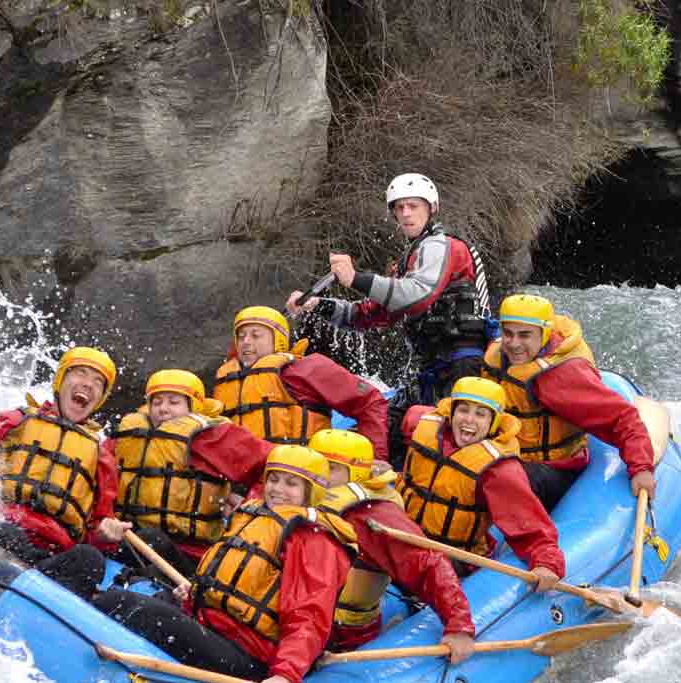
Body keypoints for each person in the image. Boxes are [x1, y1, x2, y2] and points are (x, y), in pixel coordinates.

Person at [92, 445, 354, 683]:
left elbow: (309, 615)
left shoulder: (313, 539)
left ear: (311, 491)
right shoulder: (255, 513)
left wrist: (285, 675)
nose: (278, 489)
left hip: (248, 654)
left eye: (291, 484)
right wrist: (194, 597)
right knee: (121, 597)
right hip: (209, 623)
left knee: (129, 607)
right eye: (273, 479)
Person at [285, 172, 491, 412]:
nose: (405, 213)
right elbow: (369, 315)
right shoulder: (409, 260)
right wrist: (318, 304)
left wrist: (355, 279)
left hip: (464, 365)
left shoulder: (441, 245)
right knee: (390, 425)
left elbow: (416, 296)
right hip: (435, 365)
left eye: (413, 206)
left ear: (431, 208)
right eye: (399, 207)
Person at [0, 346, 132, 600]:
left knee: (90, 560)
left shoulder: (102, 458)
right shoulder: (15, 421)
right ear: (60, 380)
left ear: (101, 398)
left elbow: (97, 528)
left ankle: (42, 613)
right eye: (80, 373)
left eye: (98, 382)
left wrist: (104, 536)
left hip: (51, 557)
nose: (88, 384)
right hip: (2, 530)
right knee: (4, 533)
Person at [309, 429, 477, 664]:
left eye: (331, 469)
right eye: (315, 467)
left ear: (356, 473)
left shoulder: (372, 515)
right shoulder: (299, 496)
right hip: (300, 625)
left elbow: (427, 563)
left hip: (341, 634)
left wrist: (459, 625)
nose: (319, 476)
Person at [481, 294, 656, 512]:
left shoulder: (560, 377)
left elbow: (622, 417)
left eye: (524, 335)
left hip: (553, 469)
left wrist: (641, 468)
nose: (514, 343)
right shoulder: (498, 356)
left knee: (504, 480)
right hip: (507, 454)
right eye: (508, 334)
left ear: (544, 334)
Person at [399, 377, 565, 592]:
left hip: (450, 554)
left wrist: (547, 562)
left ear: (493, 422)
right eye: (463, 410)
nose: (469, 420)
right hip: (402, 533)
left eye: (480, 414)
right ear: (450, 413)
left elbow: (529, 525)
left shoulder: (499, 470)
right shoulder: (421, 423)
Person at [112, 368, 274, 581]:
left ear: (193, 406)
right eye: (157, 402)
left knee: (151, 539)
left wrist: (249, 503)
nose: (163, 409)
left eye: (173, 402)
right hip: (132, 537)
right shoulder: (130, 434)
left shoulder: (210, 436)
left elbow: (273, 461)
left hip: (189, 552)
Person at [212, 305, 389, 460]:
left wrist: (374, 458)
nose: (246, 342)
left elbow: (370, 401)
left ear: (278, 340)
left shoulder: (304, 368)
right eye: (241, 337)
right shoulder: (227, 379)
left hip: (302, 475)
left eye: (256, 335)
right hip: (249, 483)